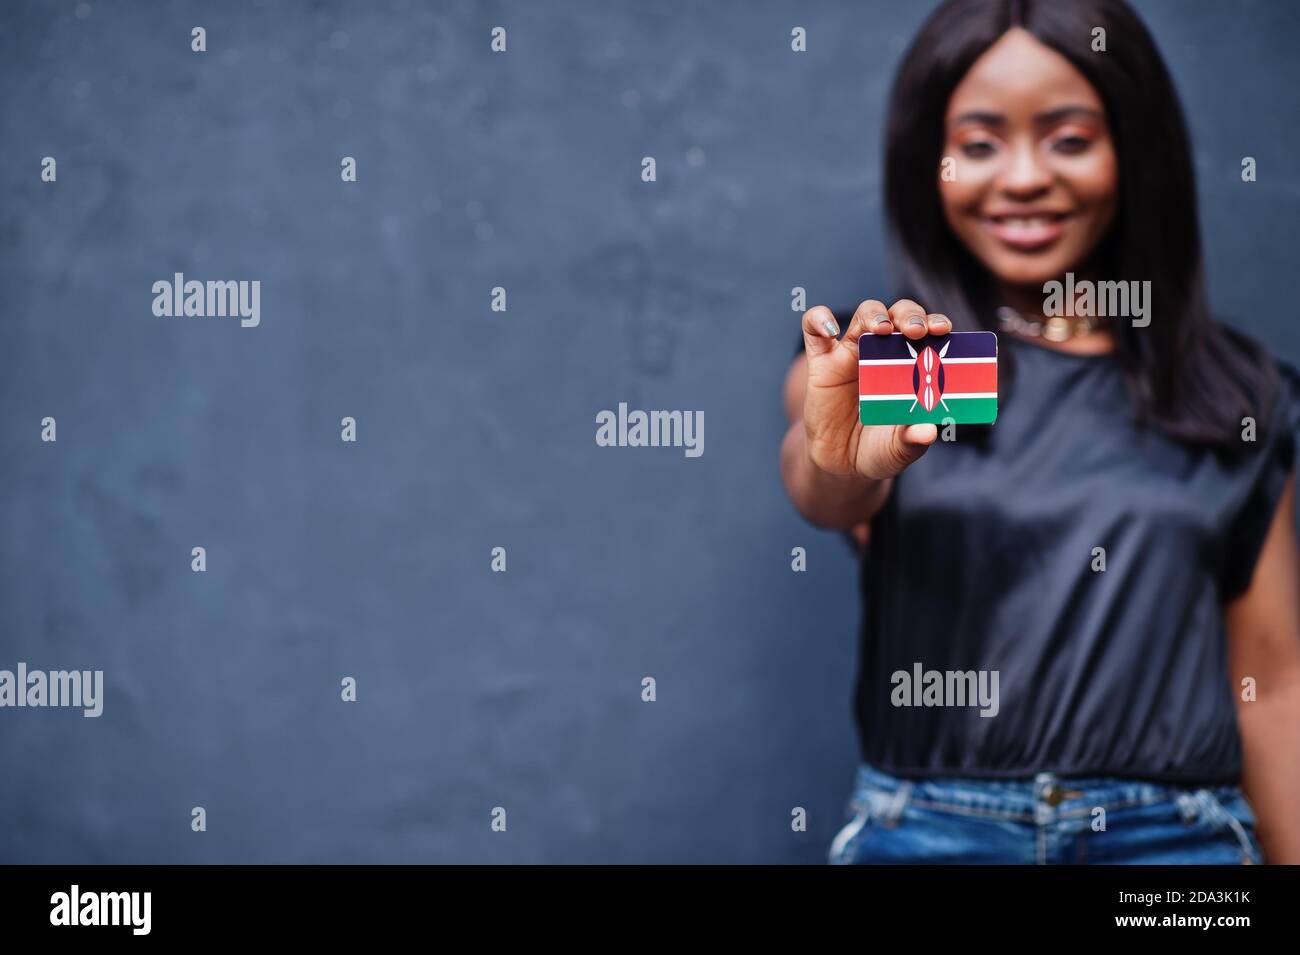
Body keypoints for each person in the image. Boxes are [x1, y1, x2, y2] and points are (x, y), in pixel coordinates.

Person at [781, 0, 1300, 864]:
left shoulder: (1233, 392)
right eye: (979, 144)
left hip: (1173, 849)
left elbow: (1272, 683)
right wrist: (837, 458)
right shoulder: (897, 363)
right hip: (933, 833)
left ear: (1133, 153)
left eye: (1067, 137)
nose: (1022, 178)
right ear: (928, 163)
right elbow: (826, 486)